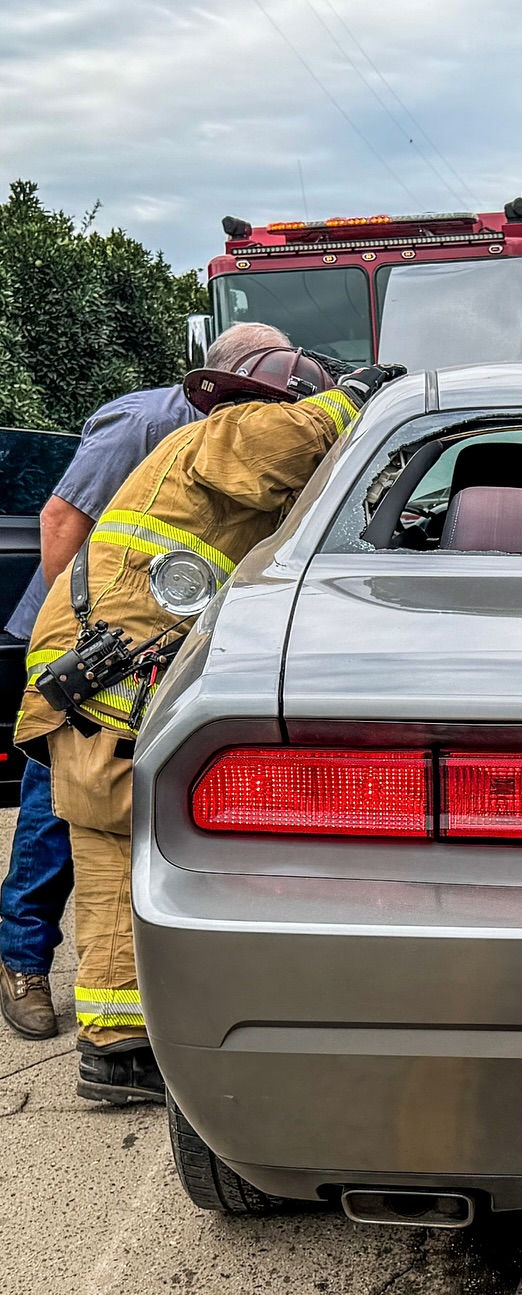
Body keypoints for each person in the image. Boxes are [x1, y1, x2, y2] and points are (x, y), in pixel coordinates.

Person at [13, 346, 405, 1103]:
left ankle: (116, 1047)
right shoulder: (233, 432)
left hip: (88, 671)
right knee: (144, 847)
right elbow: (287, 447)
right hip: (112, 677)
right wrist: (351, 398)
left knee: (110, 853)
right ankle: (136, 1043)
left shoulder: (190, 450)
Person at [0, 323, 293, 1042]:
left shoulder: (229, 445)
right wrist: (100, 636)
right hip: (82, 659)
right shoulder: (147, 424)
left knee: (117, 812)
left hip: (143, 655)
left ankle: (129, 1003)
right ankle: (21, 959)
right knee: (62, 809)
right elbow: (60, 519)